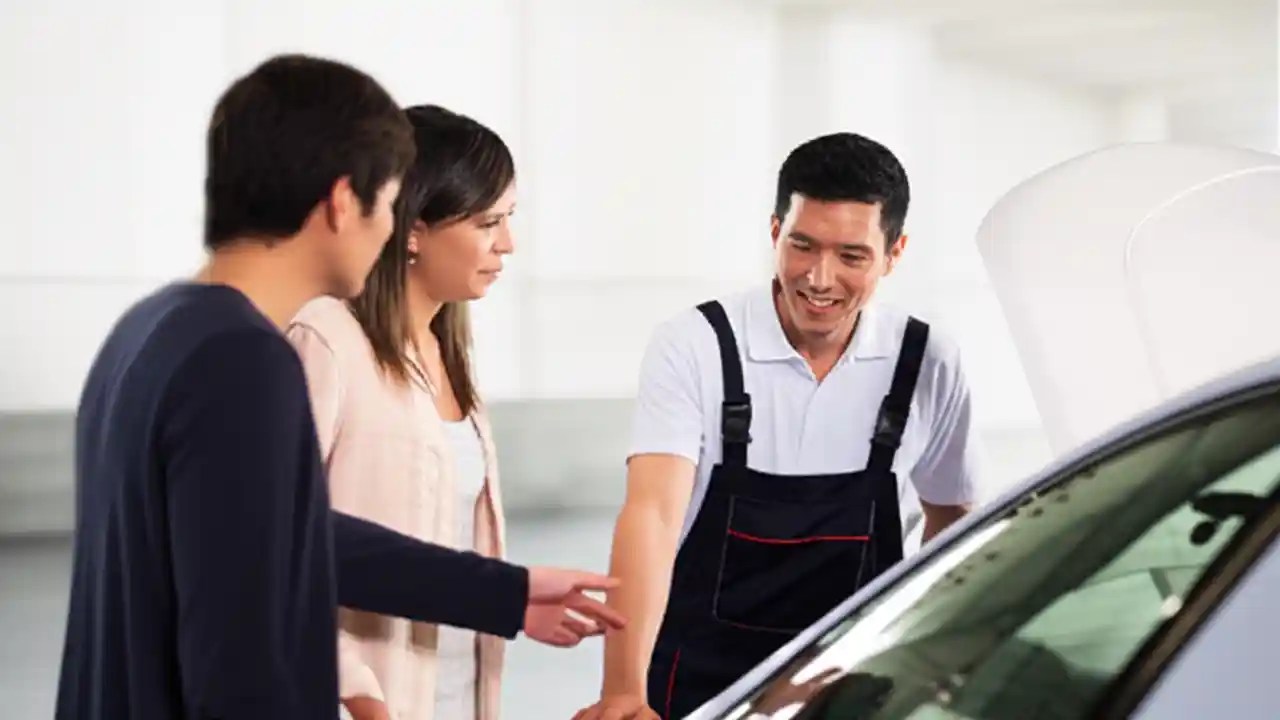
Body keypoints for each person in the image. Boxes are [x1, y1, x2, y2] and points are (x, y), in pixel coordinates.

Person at [54, 54, 623, 720]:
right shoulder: (244, 358)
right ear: (342, 200)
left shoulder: (151, 330)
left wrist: (504, 592)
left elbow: (284, 536)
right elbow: (240, 651)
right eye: (387, 202)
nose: (389, 228)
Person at [573, 132, 981, 719]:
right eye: (802, 245)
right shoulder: (697, 345)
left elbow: (953, 518)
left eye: (851, 256)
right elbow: (652, 516)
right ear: (774, 233)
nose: (818, 279)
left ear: (894, 253)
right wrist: (622, 691)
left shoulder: (926, 360)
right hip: (698, 680)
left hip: (855, 682)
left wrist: (934, 657)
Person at [285, 104, 517, 720]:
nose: (508, 244)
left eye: (509, 220)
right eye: (489, 221)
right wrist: (360, 696)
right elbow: (272, 546)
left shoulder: (448, 352)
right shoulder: (325, 340)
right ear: (414, 226)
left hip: (456, 697)